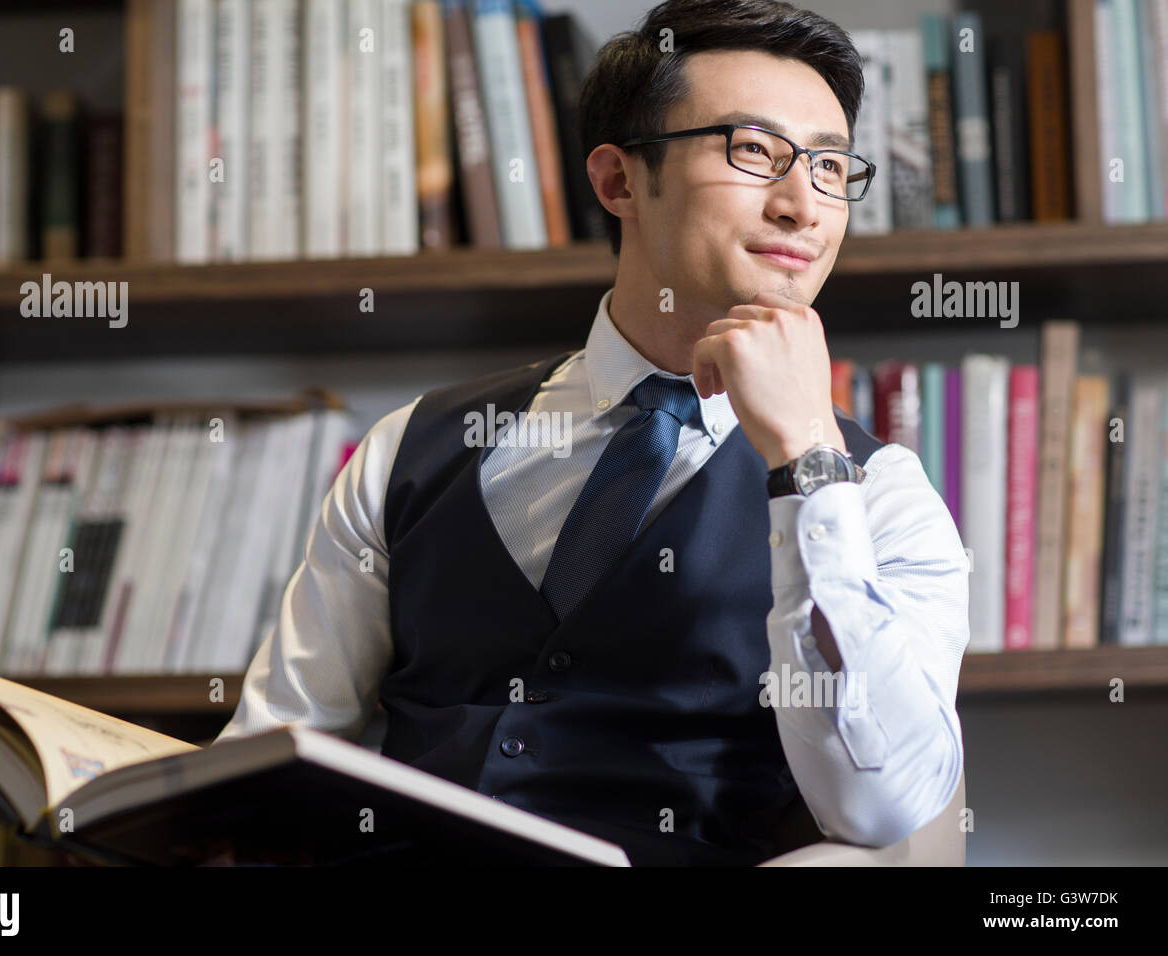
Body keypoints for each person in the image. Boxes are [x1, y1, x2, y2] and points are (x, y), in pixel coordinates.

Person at [216, 0, 969, 866]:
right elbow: (272, 755)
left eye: (831, 166)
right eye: (754, 151)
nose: (804, 204)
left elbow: (879, 808)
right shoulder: (408, 451)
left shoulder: (882, 498)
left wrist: (806, 462)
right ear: (618, 182)